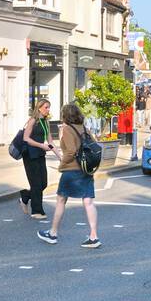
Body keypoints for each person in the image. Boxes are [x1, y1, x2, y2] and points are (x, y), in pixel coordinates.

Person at [37, 103, 100, 249]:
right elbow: (94, 146)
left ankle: (53, 233)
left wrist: (62, 164)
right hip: (86, 170)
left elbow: (70, 152)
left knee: (61, 200)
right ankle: (94, 236)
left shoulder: (67, 129)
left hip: (71, 170)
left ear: (65, 115)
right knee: (88, 202)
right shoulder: (84, 129)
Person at [19, 99, 55, 219]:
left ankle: (25, 196)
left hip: (40, 154)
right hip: (30, 154)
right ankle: (37, 211)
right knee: (36, 184)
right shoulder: (32, 121)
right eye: (46, 107)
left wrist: (61, 157)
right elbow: (26, 138)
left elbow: (50, 142)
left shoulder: (46, 122)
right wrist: (41, 145)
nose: (48, 110)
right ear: (39, 108)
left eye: (49, 107)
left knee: (43, 183)